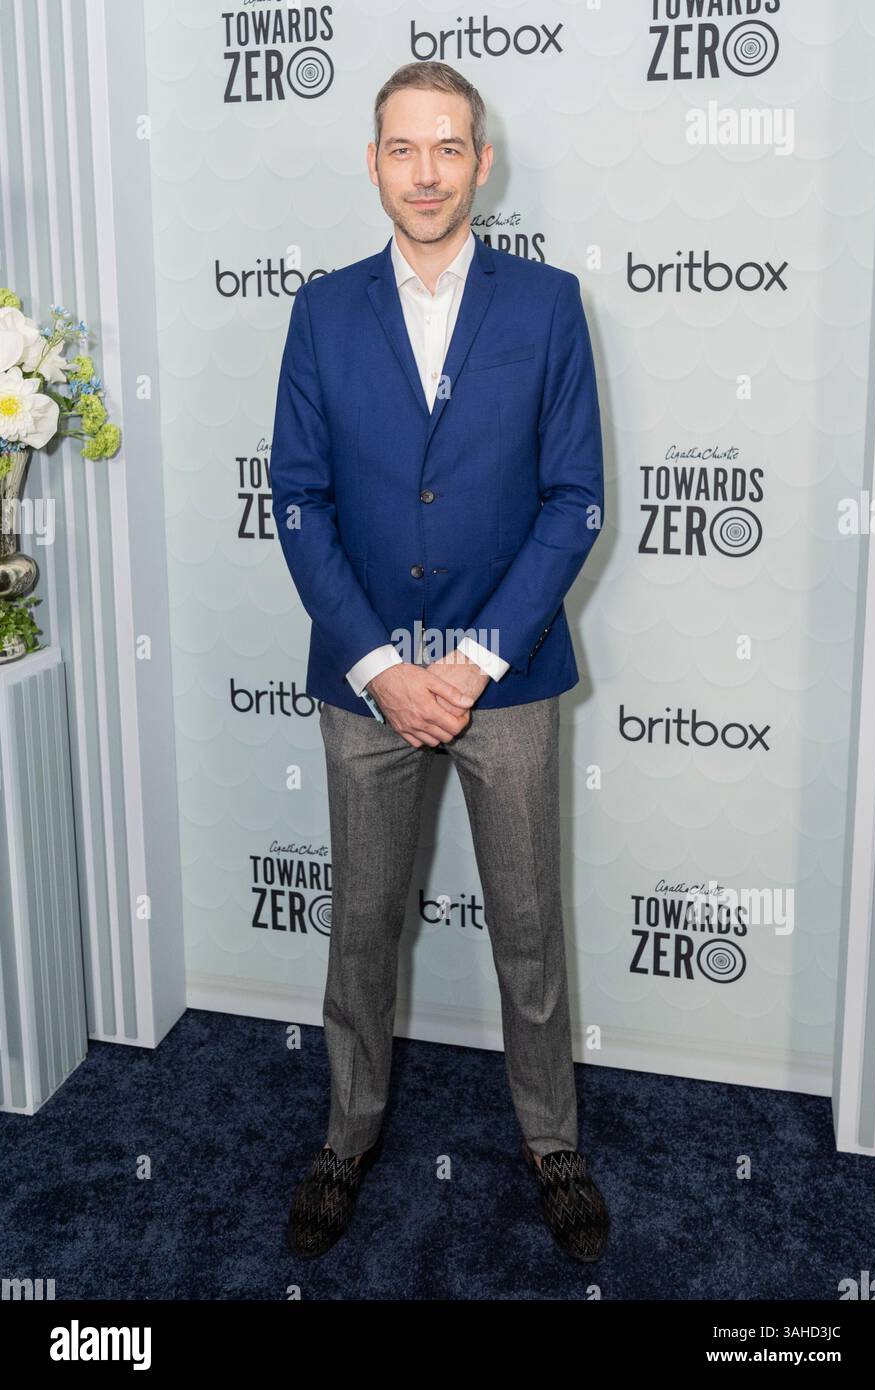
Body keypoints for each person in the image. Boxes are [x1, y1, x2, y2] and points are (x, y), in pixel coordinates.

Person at [269, 60, 608, 1265]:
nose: (425, 171)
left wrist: (463, 664)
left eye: (447, 148)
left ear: (482, 162)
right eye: (402, 149)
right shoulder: (320, 311)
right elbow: (297, 502)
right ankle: (346, 1134)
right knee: (359, 925)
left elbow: (574, 501)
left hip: (504, 679)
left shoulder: (548, 304)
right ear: (373, 164)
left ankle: (553, 1141)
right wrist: (380, 662)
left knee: (528, 926)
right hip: (367, 684)